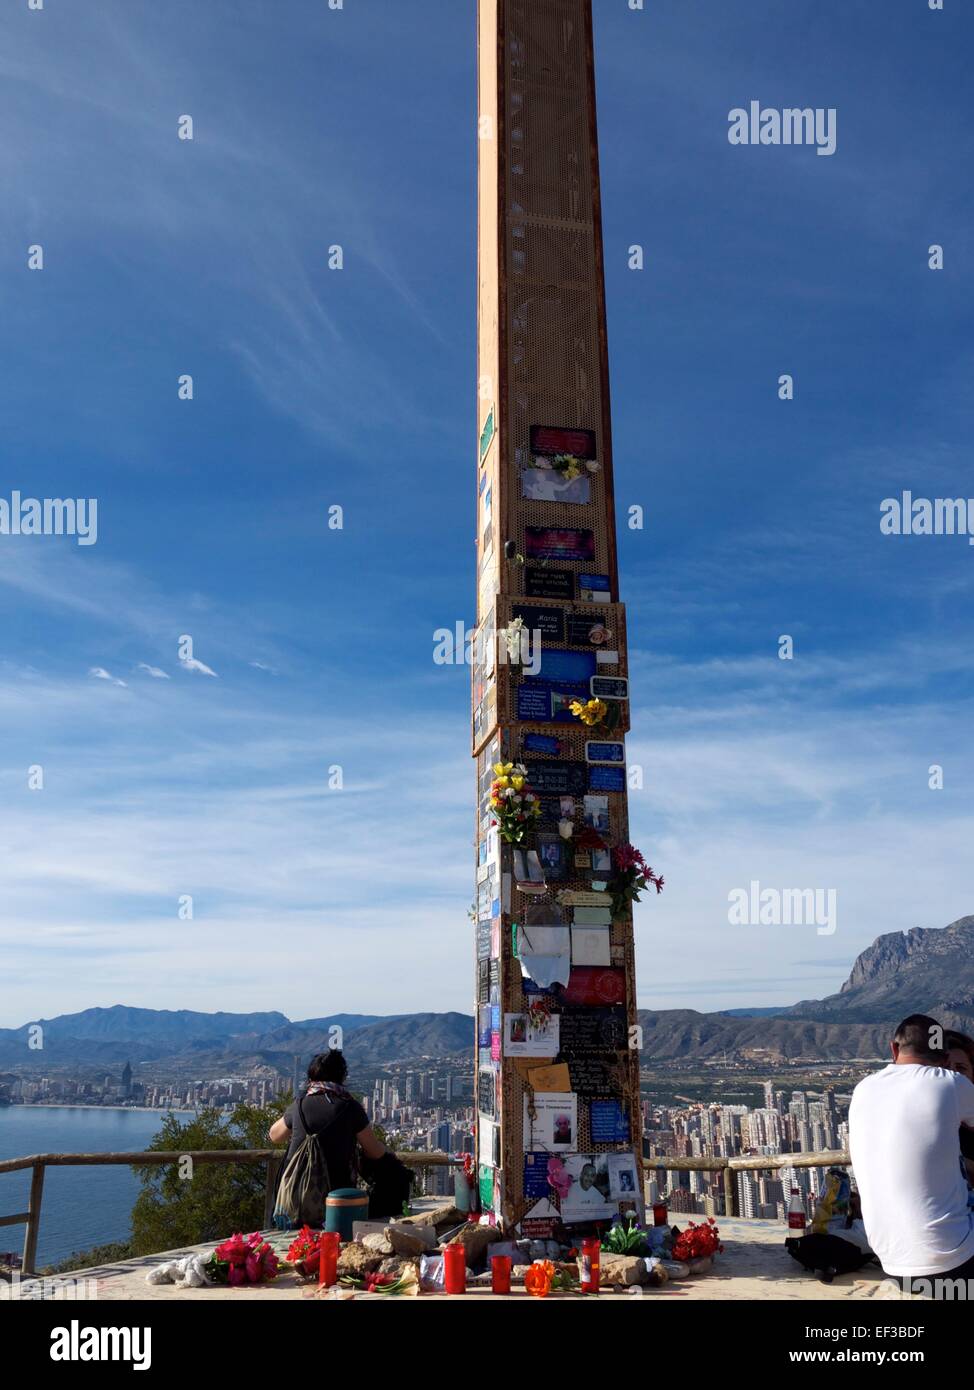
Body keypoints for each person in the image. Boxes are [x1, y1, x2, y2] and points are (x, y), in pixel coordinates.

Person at [849, 1013, 974, 1294]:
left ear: (894, 1049)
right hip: (952, 1264)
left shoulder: (863, 1088)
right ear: (943, 1058)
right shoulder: (951, 1083)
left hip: (891, 1263)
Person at [268, 1049, 385, 1197]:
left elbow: (275, 1136)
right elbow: (375, 1152)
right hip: (338, 1198)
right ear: (342, 1077)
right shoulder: (351, 1107)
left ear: (311, 1078)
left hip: (295, 1196)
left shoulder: (299, 1106)